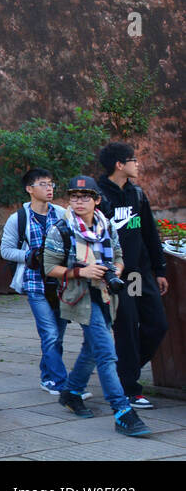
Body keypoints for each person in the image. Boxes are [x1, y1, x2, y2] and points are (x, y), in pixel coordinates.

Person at [43, 176, 150, 437]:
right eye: (74, 197)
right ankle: (122, 411)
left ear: (97, 200)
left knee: (92, 348)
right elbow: (49, 268)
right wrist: (83, 272)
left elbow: (120, 256)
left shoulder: (107, 227)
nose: (79, 201)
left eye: (85, 197)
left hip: (104, 294)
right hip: (79, 297)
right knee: (106, 352)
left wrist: (114, 271)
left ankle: (72, 391)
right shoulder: (62, 229)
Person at [97, 142, 169, 409]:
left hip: (140, 274)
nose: (137, 164)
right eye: (133, 160)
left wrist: (159, 269)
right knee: (126, 328)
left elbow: (150, 232)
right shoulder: (99, 196)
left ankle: (123, 370)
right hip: (115, 276)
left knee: (157, 325)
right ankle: (130, 388)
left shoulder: (137, 194)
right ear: (119, 164)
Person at [0, 168, 74, 395]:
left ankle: (47, 377)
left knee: (57, 335)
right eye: (43, 184)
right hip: (35, 284)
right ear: (29, 189)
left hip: (60, 284)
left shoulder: (62, 214)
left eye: (51, 184)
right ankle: (62, 384)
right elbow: (6, 250)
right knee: (50, 334)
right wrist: (28, 256)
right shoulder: (18, 219)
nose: (49, 188)